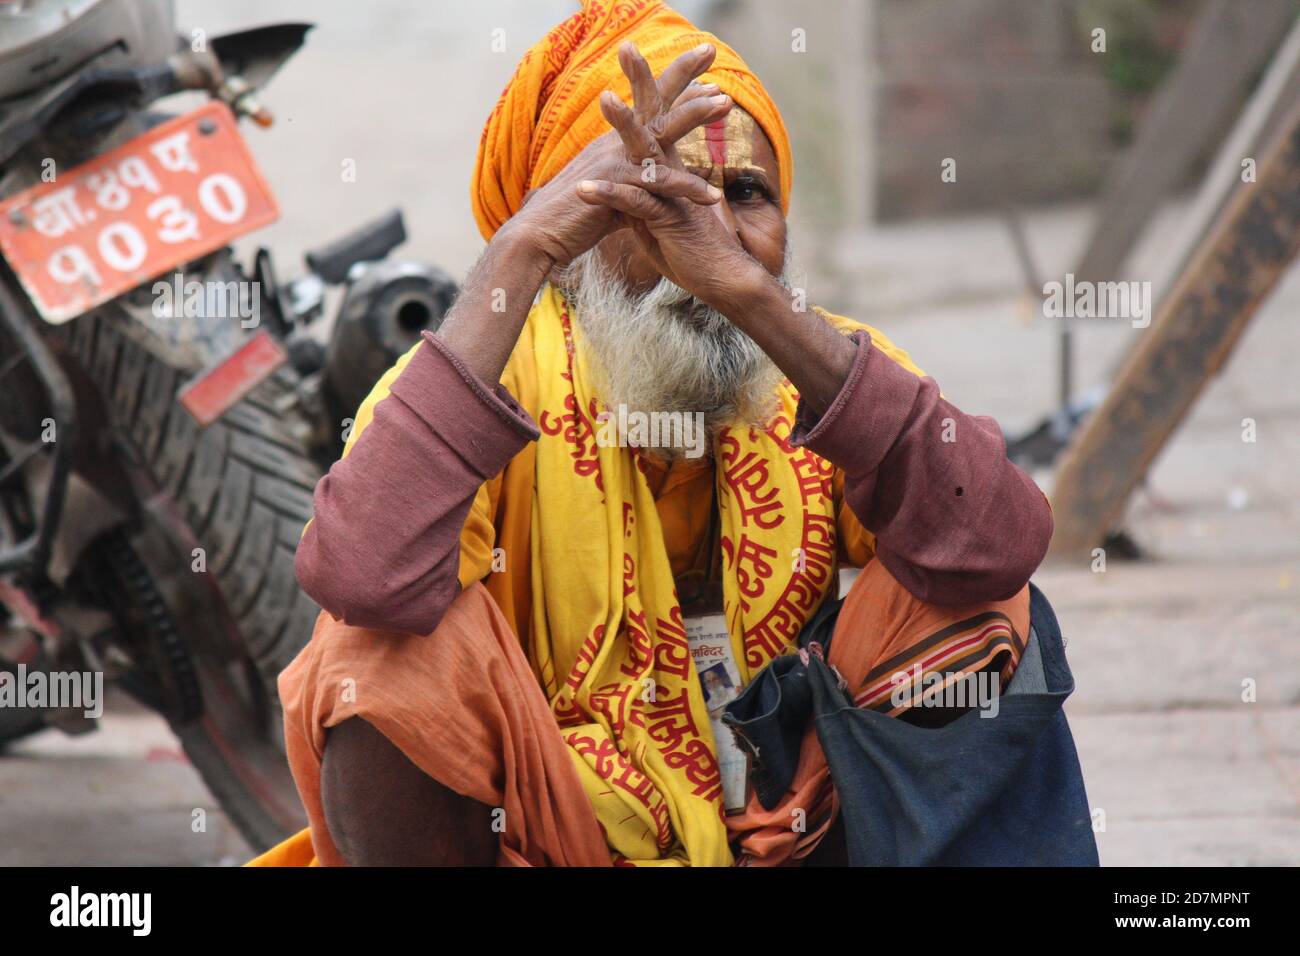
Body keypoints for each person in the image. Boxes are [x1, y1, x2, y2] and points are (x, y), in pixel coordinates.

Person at [249, 0, 1051, 868]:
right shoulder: (489, 375)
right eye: (655, 197)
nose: (702, 233)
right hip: (561, 830)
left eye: (744, 195)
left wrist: (745, 293)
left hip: (796, 824)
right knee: (377, 660)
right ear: (575, 231)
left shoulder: (819, 363)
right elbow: (361, 578)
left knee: (979, 590)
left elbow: (999, 542)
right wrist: (521, 252)